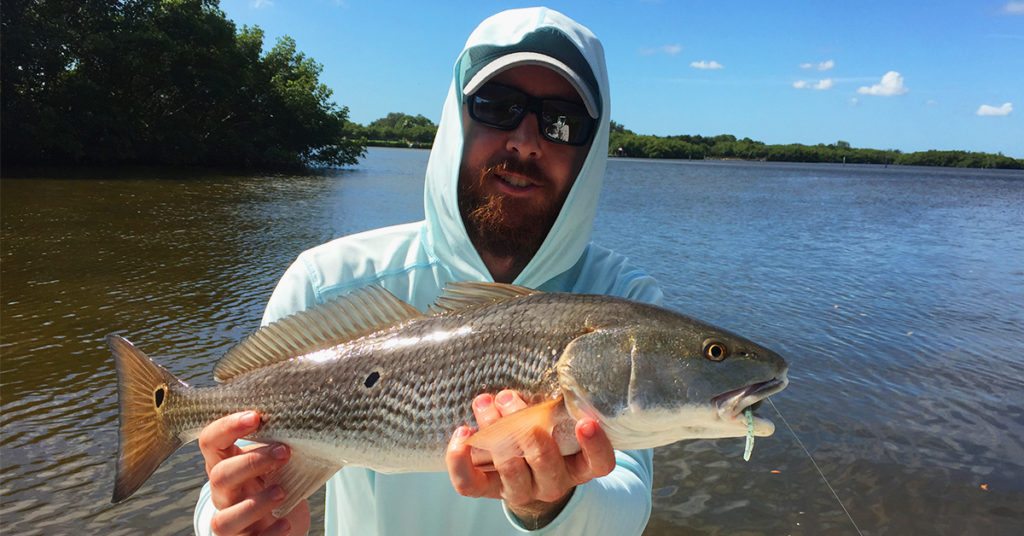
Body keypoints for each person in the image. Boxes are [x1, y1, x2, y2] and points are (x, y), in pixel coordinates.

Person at [193, 7, 663, 535]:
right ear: (456, 116)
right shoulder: (325, 281)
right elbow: (233, 479)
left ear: (591, 149)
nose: (526, 141)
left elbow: (629, 502)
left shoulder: (624, 300)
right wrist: (233, 518)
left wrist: (550, 506)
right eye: (497, 106)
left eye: (562, 122)